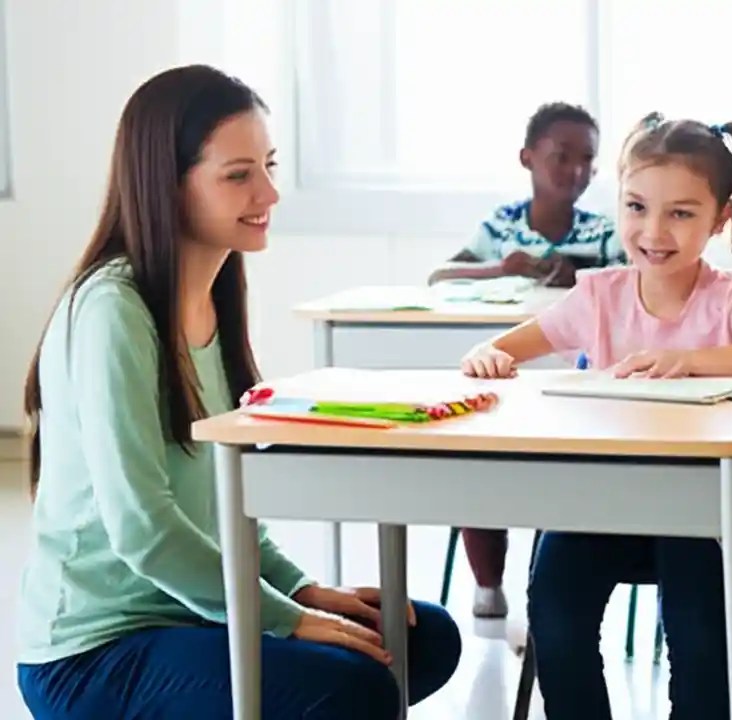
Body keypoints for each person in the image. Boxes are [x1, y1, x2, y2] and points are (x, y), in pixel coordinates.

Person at [15, 65, 461, 719]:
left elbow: (225, 507)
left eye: (270, 165)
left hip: (187, 617)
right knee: (355, 687)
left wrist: (302, 591)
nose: (270, 192)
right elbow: (145, 530)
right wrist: (281, 619)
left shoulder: (212, 300)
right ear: (167, 185)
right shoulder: (114, 308)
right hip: (91, 655)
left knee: (425, 638)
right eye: (238, 174)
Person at [462, 112, 732, 718]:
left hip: (702, 509)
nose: (653, 231)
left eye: (681, 213)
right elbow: (506, 346)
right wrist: (485, 354)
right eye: (635, 207)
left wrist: (691, 358)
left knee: (702, 635)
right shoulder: (599, 294)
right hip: (600, 500)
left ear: (720, 218)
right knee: (555, 610)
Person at [429, 102, 621, 290]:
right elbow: (439, 276)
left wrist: (578, 277)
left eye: (587, 159)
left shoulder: (604, 234)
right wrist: (502, 269)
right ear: (527, 158)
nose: (576, 171)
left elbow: (631, 286)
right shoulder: (503, 226)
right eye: (562, 157)